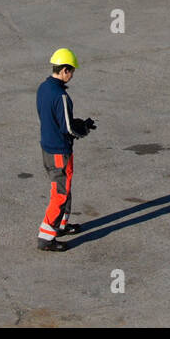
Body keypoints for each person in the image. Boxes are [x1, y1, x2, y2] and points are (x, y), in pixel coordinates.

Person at [36, 48, 95, 252]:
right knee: (60, 193)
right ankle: (46, 237)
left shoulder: (43, 88)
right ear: (64, 70)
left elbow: (51, 118)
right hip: (60, 151)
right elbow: (68, 128)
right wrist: (83, 129)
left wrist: (76, 123)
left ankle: (61, 225)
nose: (72, 75)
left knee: (65, 186)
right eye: (71, 71)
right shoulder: (61, 95)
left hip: (47, 147)